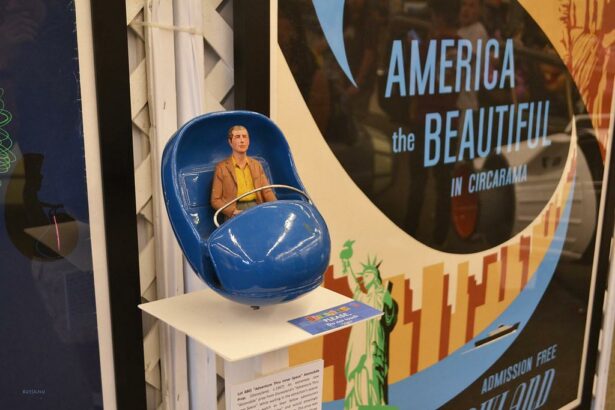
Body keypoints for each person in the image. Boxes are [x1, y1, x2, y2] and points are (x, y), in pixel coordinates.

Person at [210, 125, 276, 219]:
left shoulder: (256, 165)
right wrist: (232, 211)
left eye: (245, 137)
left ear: (248, 141)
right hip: (235, 212)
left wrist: (277, 208)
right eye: (237, 137)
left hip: (257, 208)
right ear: (230, 142)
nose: (242, 140)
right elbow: (215, 200)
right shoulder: (222, 168)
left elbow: (267, 191)